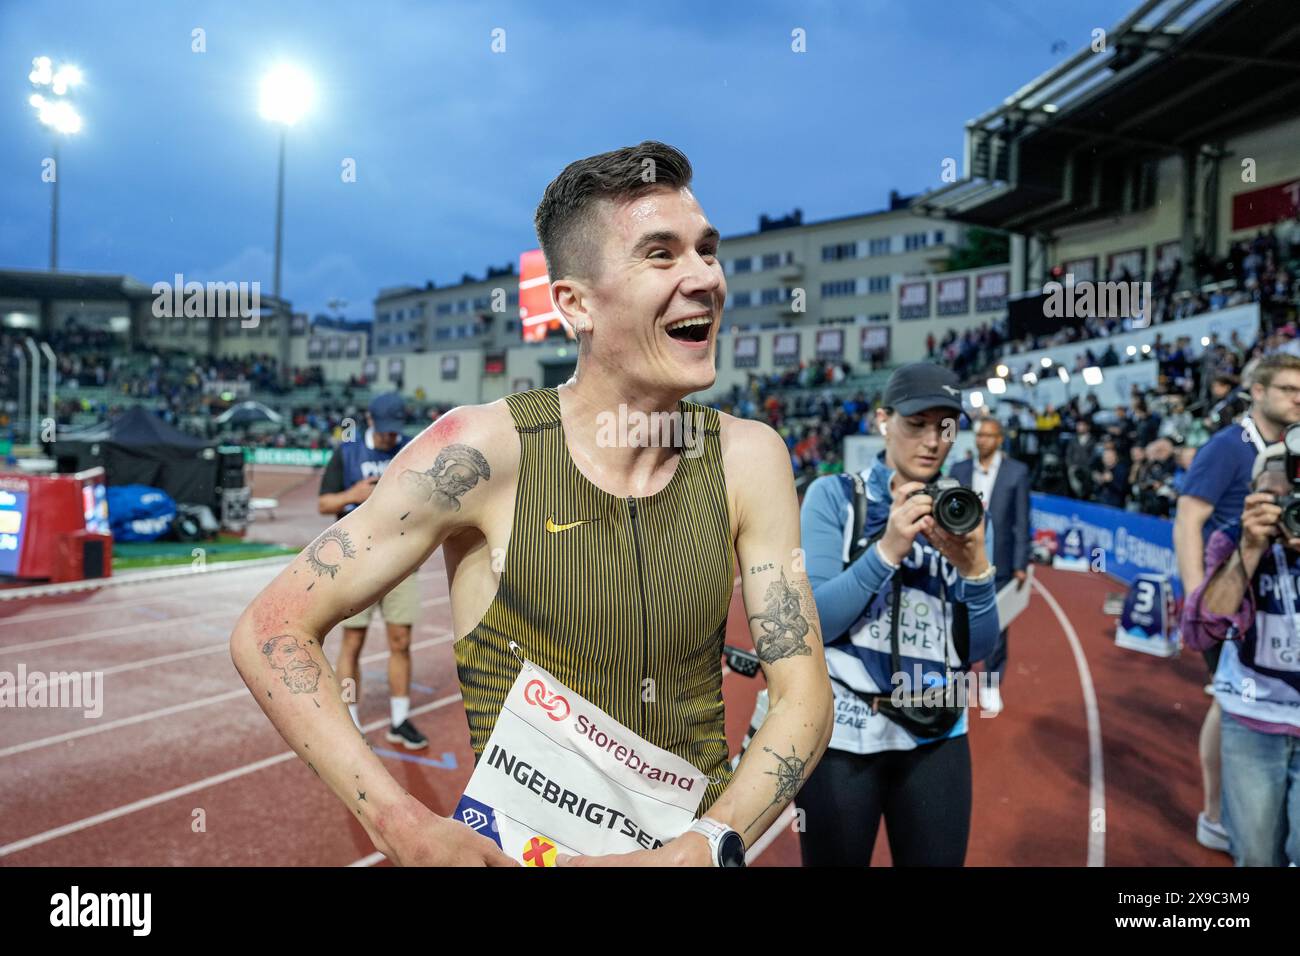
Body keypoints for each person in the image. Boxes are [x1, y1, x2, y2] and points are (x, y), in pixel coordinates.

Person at [230, 141, 833, 867]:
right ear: (575, 303)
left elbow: (803, 695)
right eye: (662, 254)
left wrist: (700, 847)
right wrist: (398, 823)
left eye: (707, 250)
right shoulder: (483, 451)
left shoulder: (749, 457)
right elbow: (272, 630)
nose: (705, 277)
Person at [796, 363, 1000, 866]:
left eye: (945, 427)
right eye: (916, 423)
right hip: (843, 730)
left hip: (937, 733)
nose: (932, 440)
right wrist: (887, 549)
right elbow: (815, 621)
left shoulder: (965, 513)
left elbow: (979, 650)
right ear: (883, 420)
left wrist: (976, 571)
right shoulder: (837, 498)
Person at [1175, 351, 1300, 854]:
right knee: (1225, 698)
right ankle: (1214, 812)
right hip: (1233, 583)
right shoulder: (1229, 447)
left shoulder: (1289, 446)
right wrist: (1195, 599)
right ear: (1260, 392)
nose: (1299, 399)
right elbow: (1187, 520)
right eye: (1290, 390)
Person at [316, 392, 427, 749]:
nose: (389, 439)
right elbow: (323, 503)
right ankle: (350, 721)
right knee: (353, 641)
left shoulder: (412, 449)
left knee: (401, 641)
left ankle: (399, 720)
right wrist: (354, 494)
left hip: (400, 560)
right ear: (370, 420)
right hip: (356, 564)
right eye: (384, 432)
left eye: (395, 432)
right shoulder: (347, 451)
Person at [949, 415, 1029, 714]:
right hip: (960, 559)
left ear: (999, 439)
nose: (981, 439)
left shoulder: (1017, 473)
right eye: (978, 435)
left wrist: (1021, 562)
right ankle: (959, 680)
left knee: (998, 627)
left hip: (1002, 562)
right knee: (958, 620)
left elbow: (1022, 520)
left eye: (987, 435)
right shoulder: (958, 470)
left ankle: (991, 684)